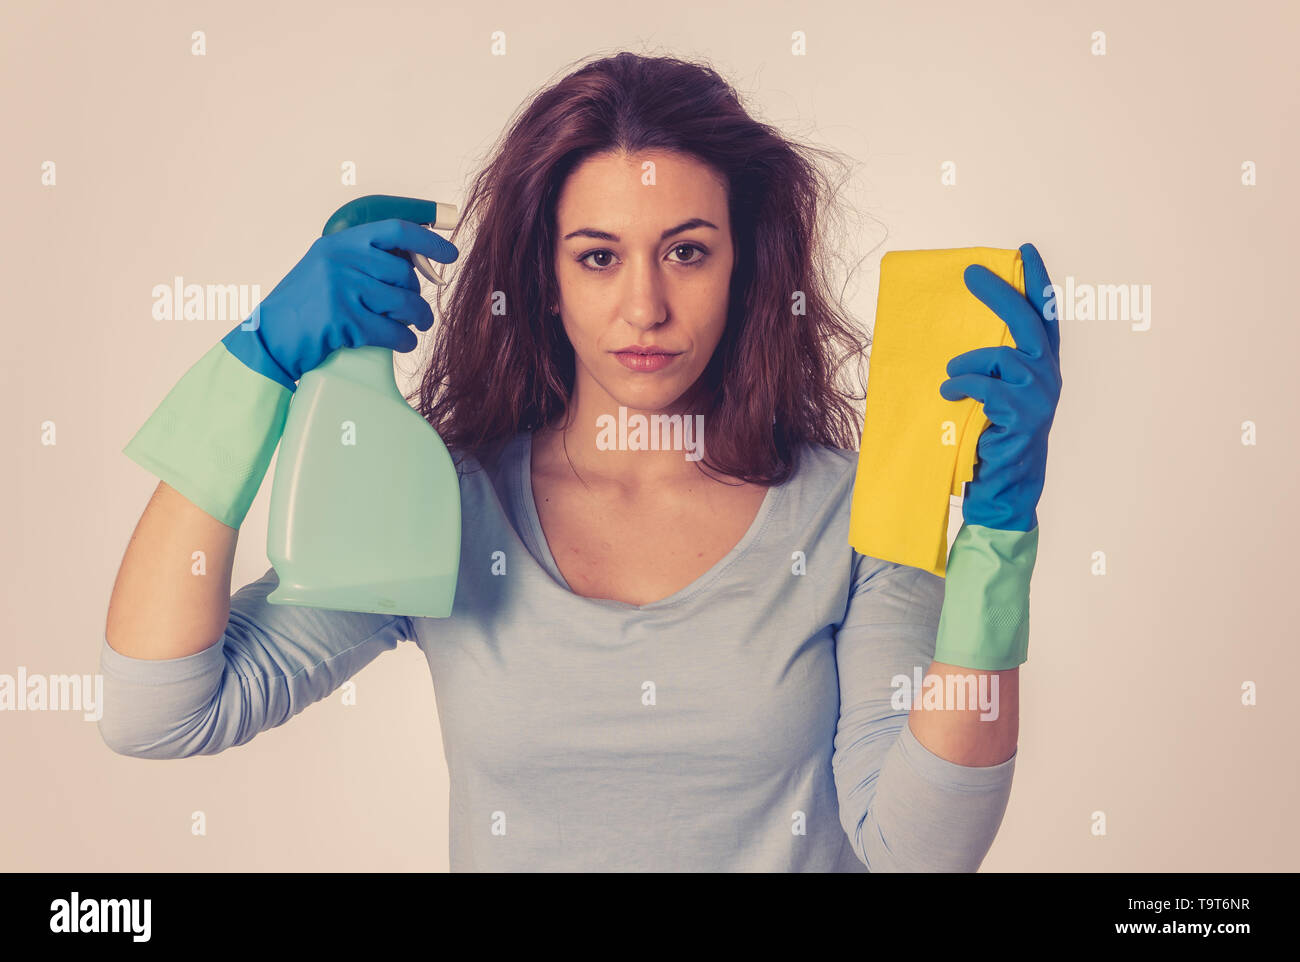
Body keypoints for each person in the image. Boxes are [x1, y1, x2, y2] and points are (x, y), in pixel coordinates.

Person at [101, 51, 1060, 871]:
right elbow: (161, 711)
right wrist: (257, 364)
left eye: (687, 252)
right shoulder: (450, 504)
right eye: (599, 257)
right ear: (546, 281)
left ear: (745, 267)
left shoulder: (847, 514)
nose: (645, 308)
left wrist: (996, 540)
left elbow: (918, 849)